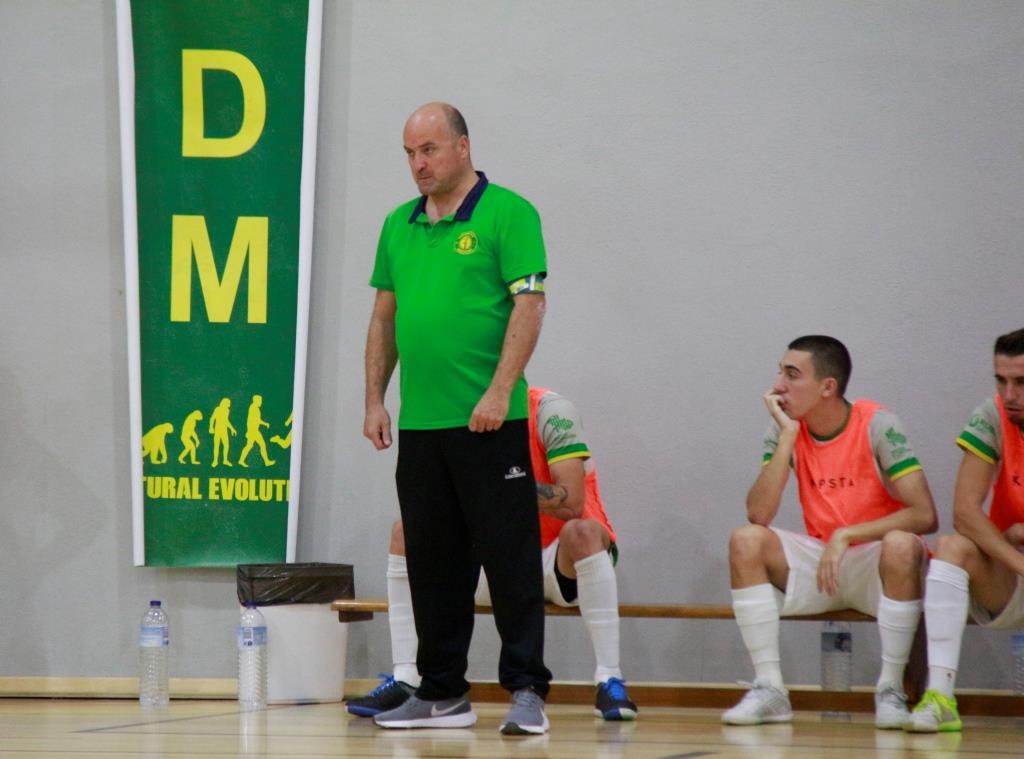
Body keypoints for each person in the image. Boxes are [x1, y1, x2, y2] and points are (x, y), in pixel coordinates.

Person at [362, 102, 552, 734]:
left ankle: (527, 690)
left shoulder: (510, 213)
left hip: (489, 423)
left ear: (463, 147)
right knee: (434, 564)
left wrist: (500, 391)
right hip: (421, 428)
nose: (419, 164)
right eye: (410, 153)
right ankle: (442, 692)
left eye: (430, 150)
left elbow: (530, 306)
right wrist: (373, 400)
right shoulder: (398, 224)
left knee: (510, 558)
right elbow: (385, 319)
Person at [348, 386, 638, 722]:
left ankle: (609, 677)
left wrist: (501, 486)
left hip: (553, 561)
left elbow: (572, 502)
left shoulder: (550, 411)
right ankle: (407, 676)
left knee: (585, 531)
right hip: (489, 559)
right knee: (405, 533)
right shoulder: (448, 414)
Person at [723, 335, 938, 728]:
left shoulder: (876, 423)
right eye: (780, 372)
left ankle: (890, 690)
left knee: (902, 545)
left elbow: (924, 514)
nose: (778, 385)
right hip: (824, 562)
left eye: (792, 374)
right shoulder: (787, 428)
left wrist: (846, 534)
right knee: (745, 541)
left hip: (877, 562)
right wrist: (787, 436)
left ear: (828, 387)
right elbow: (758, 513)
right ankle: (770, 689)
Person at [906, 328, 1024, 733]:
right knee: (952, 547)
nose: (1009, 395)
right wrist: (1014, 556)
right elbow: (965, 512)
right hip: (1012, 572)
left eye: (1022, 382)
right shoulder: (992, 414)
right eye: (1001, 380)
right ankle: (939, 696)